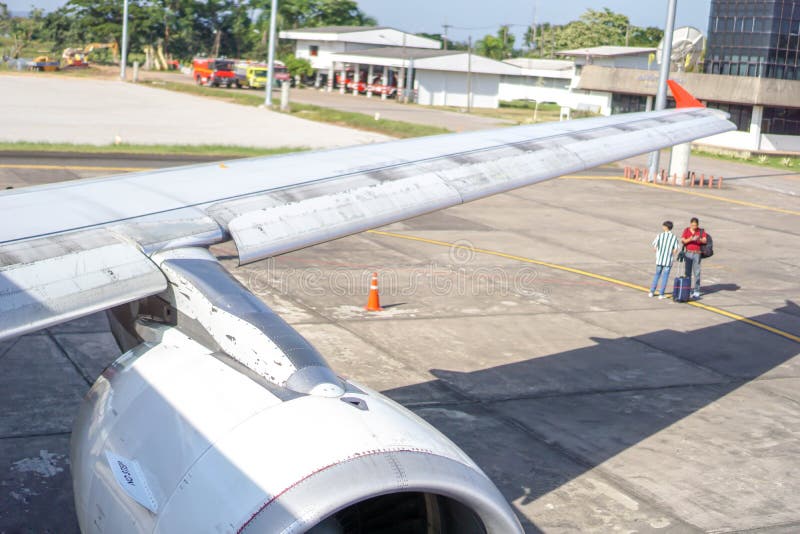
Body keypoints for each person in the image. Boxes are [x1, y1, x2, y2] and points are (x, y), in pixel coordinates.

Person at [649, 220, 680, 299]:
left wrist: (659, 252)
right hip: (668, 260)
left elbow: (655, 247)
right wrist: (670, 253)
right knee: (665, 277)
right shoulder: (674, 237)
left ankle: (652, 292)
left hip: (659, 260)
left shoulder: (660, 235)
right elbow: (675, 250)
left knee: (657, 275)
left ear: (666, 227)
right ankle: (661, 294)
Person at [681, 217, 708, 299]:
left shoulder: (701, 231)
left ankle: (696, 291)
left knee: (697, 273)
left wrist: (699, 238)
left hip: (697, 253)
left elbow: (705, 240)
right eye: (692, 225)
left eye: (695, 225)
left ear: (698, 225)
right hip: (688, 253)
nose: (694, 227)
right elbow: (683, 241)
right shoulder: (686, 230)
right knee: (687, 273)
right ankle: (688, 289)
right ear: (690, 224)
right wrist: (691, 239)